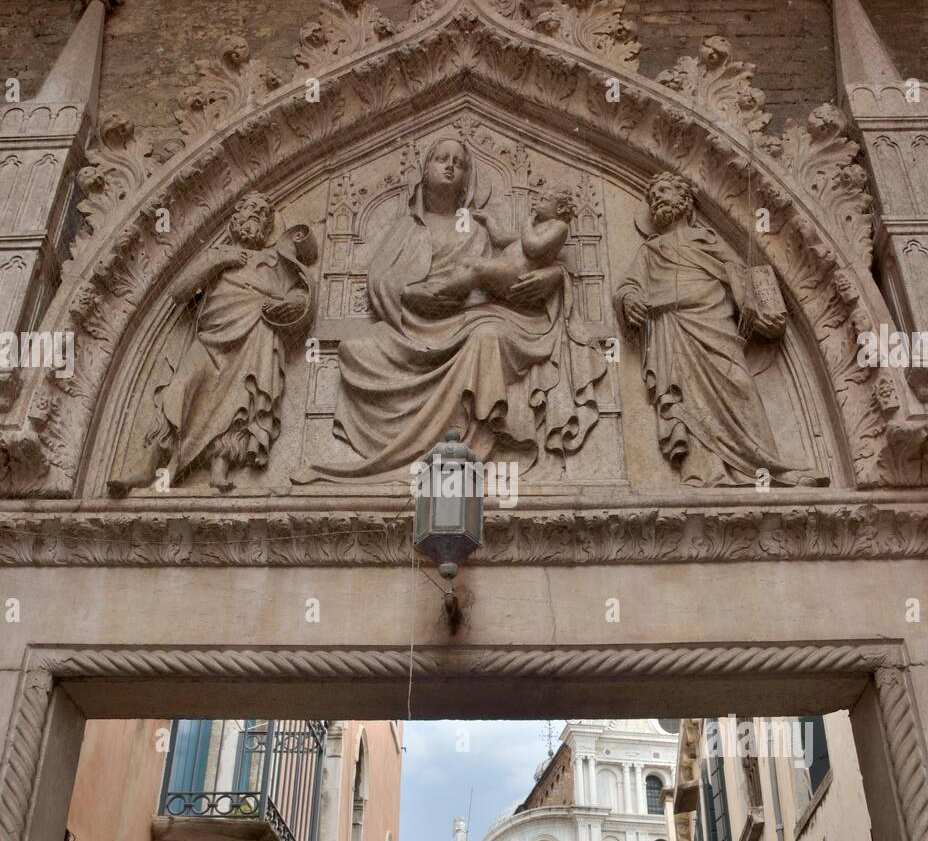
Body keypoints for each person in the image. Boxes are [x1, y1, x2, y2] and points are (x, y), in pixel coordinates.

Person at [295, 138, 606, 481]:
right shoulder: (406, 227)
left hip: (473, 319)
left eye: (458, 163)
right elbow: (381, 281)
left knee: (487, 337)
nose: (449, 166)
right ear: (424, 172)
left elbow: (510, 274)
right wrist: (412, 296)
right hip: (410, 326)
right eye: (441, 159)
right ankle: (420, 449)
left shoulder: (475, 227)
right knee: (355, 351)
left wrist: (554, 275)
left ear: (467, 178)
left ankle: (475, 439)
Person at [615, 171, 825, 488]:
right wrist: (630, 300)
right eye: (653, 194)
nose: (658, 196)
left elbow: (746, 275)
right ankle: (707, 472)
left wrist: (763, 307)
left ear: (686, 202)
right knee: (686, 399)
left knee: (739, 385)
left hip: (715, 324)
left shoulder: (711, 242)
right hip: (674, 329)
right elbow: (628, 286)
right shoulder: (650, 250)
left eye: (664, 190)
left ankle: (765, 468)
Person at [109, 192, 316, 495]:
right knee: (181, 388)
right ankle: (148, 467)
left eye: (262, 215)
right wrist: (221, 260)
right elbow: (180, 292)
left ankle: (220, 467)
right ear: (235, 220)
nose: (256, 219)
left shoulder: (275, 259)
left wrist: (291, 302)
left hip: (255, 335)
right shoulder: (217, 254)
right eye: (250, 212)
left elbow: (302, 290)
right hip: (212, 337)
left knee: (241, 400)